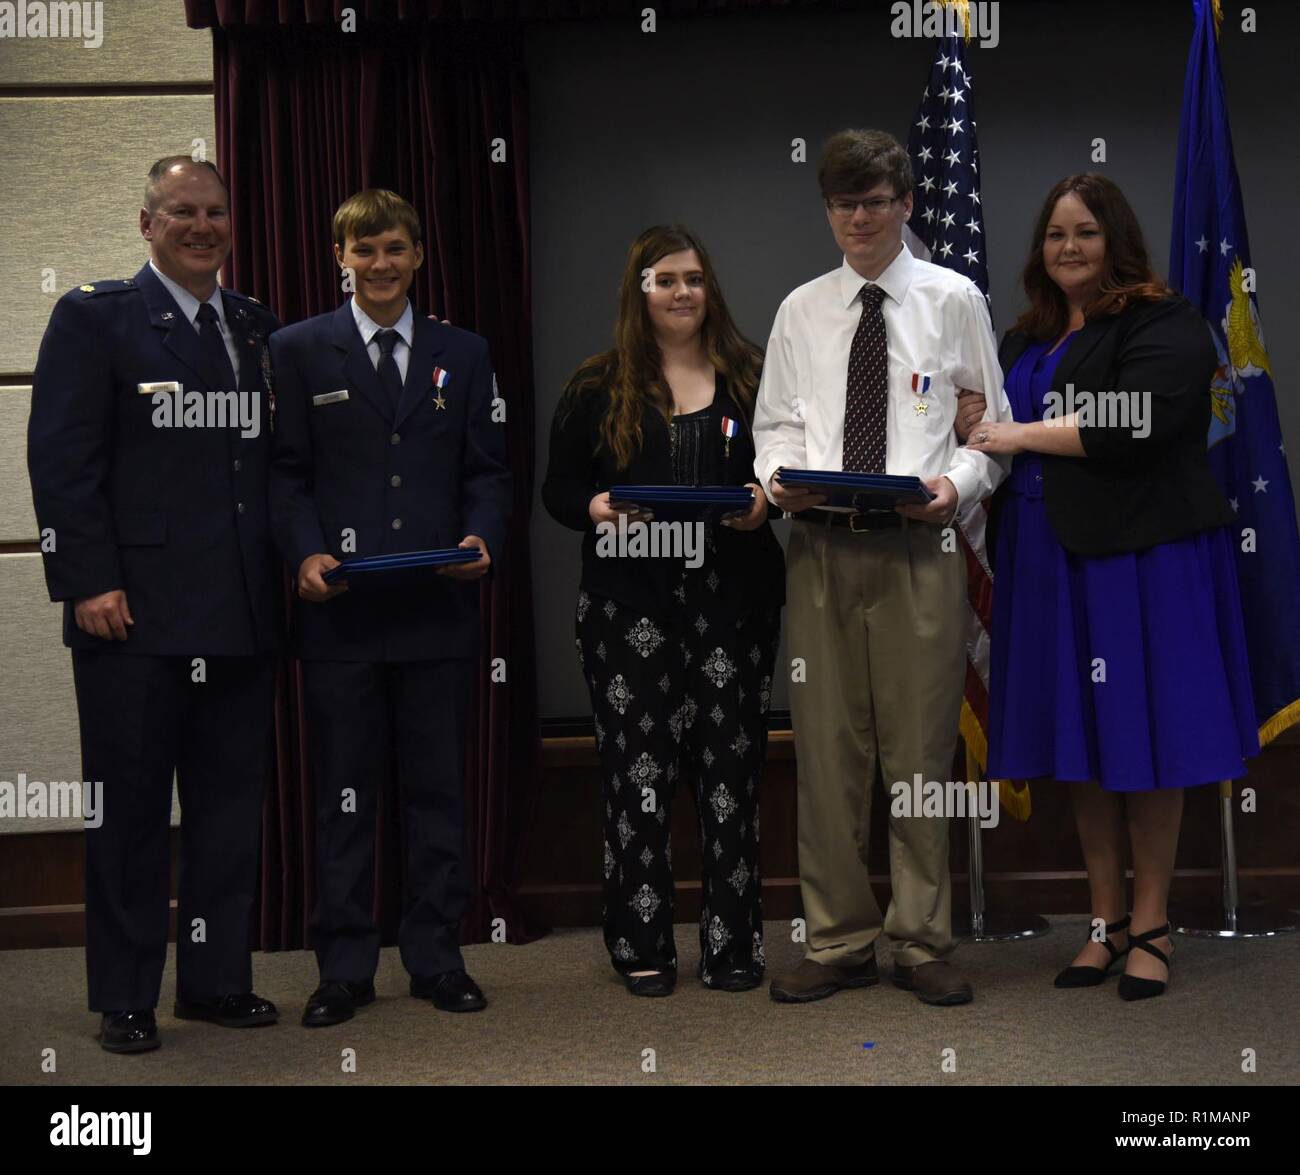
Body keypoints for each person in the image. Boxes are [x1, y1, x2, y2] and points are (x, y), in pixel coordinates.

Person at [962, 173, 1259, 1000]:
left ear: (1115, 239)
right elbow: (982, 421)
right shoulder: (1025, 337)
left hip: (1136, 558)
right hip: (1044, 557)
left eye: (1085, 232)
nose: (1068, 247)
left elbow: (1141, 421)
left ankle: (1154, 922)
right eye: (1055, 234)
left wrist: (1013, 430)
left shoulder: (1165, 322)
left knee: (1143, 734)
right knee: (1081, 742)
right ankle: (1104, 923)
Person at [26, 157, 282, 1053]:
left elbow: (266, 470)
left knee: (225, 812)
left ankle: (214, 984)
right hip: (130, 616)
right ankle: (126, 994)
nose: (201, 225)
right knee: (130, 815)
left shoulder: (254, 328)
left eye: (215, 211)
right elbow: (63, 463)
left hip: (242, 612)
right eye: (182, 212)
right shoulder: (95, 318)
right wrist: (87, 579)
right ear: (147, 223)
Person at [752, 129, 1011, 1006]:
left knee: (920, 752)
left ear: (905, 203)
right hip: (821, 546)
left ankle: (919, 936)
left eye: (873, 202)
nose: (857, 219)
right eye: (842, 203)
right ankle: (837, 939)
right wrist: (775, 479)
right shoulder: (801, 308)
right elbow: (775, 427)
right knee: (827, 750)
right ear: (826, 210)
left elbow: (989, 434)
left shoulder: (954, 298)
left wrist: (955, 485)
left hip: (922, 547)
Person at [268, 189, 511, 1025]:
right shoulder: (297, 350)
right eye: (364, 250)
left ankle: (437, 958)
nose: (380, 264)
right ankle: (343, 967)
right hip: (339, 615)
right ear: (340, 256)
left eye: (395, 249)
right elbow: (285, 474)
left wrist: (482, 538)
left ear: (417, 255)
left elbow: (487, 471)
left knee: (437, 791)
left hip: (436, 613)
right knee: (344, 793)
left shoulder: (464, 351)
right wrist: (302, 551)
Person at [542, 225, 785, 996]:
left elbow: (784, 470)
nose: (682, 292)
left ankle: (732, 943)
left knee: (731, 773)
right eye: (665, 279)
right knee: (637, 774)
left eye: (694, 278)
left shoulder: (753, 375)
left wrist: (762, 503)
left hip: (734, 603)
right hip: (628, 606)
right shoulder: (596, 384)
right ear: (638, 291)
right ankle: (640, 939)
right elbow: (557, 491)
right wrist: (597, 506)